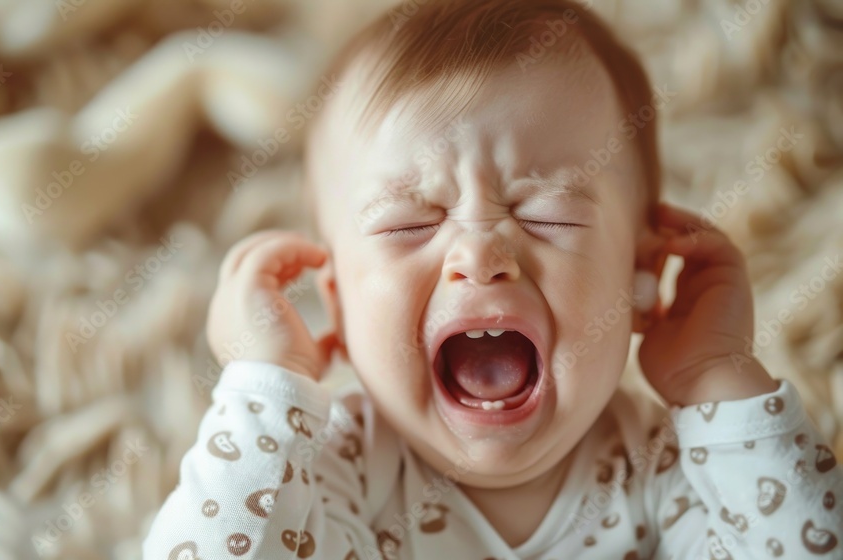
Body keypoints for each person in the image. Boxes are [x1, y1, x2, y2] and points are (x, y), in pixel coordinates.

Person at [143, 0, 843, 557]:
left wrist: (715, 374)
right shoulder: (332, 469)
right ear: (339, 307)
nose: (479, 256)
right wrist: (265, 389)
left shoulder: (665, 468)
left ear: (641, 279)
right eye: (408, 224)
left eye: (548, 214)